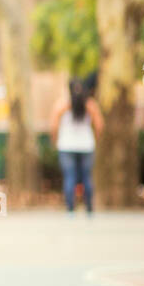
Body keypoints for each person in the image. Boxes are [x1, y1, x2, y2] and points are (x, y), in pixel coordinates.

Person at [50, 76, 102, 214]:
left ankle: (70, 209)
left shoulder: (62, 105)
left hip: (66, 146)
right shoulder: (90, 104)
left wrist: (55, 141)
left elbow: (54, 126)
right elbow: (99, 125)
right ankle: (89, 208)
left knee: (69, 177)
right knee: (87, 177)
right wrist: (94, 139)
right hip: (86, 146)